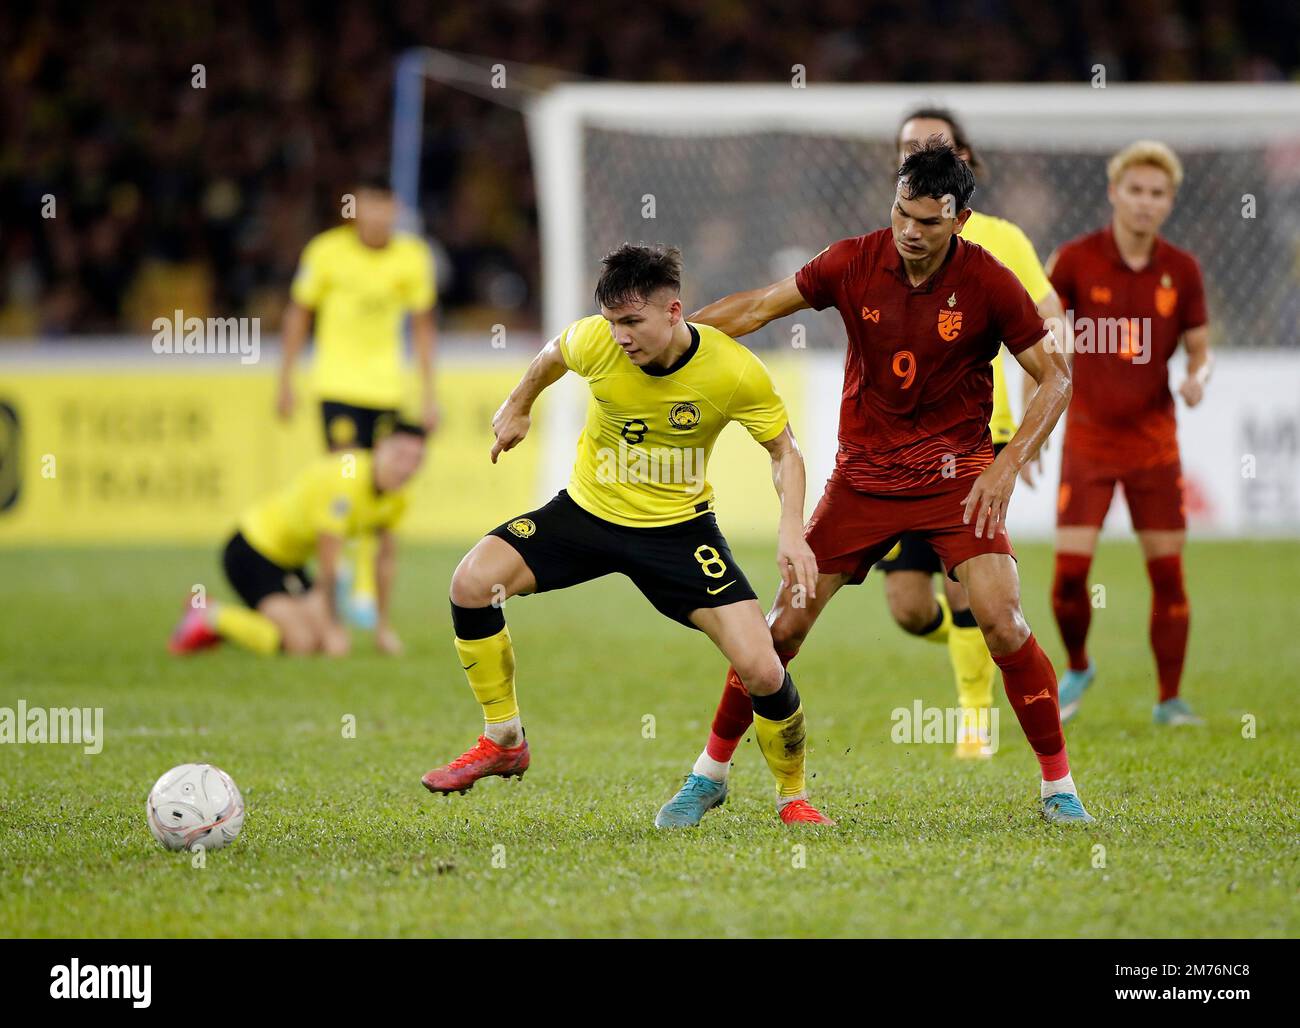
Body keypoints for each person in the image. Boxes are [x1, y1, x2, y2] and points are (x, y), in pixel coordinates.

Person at [657, 139, 1094, 828]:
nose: (910, 231)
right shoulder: (852, 260)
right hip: (862, 479)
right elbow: (760, 308)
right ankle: (709, 773)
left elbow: (1057, 377)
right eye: (901, 214)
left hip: (957, 480)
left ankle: (1058, 789)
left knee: (1003, 623)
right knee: (781, 628)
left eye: (926, 220)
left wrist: (1006, 467)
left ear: (959, 219)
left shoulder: (989, 280)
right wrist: (675, 337)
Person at [420, 243, 833, 826]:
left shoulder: (731, 370)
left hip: (679, 533)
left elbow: (784, 451)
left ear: (673, 312)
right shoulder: (597, 341)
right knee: (471, 583)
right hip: (587, 515)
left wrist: (791, 527)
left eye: (633, 322)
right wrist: (518, 405)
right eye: (613, 322)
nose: (620, 337)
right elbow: (551, 354)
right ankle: (504, 739)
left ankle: (793, 797)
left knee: (763, 669)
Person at [874, 106, 1069, 758]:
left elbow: (1044, 327)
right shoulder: (894, 241)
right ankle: (992, 641)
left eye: (935, 143)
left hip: (977, 439)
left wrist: (1025, 435)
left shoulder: (1000, 239)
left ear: (963, 156)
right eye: (909, 145)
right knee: (907, 606)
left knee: (963, 584)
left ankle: (975, 723)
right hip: (901, 446)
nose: (921, 151)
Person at [1048, 141, 1212, 726]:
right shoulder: (1074, 260)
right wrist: (1033, 423)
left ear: (1169, 202)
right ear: (1114, 192)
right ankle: (1079, 664)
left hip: (1154, 447)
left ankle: (1169, 700)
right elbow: (1040, 342)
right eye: (1135, 190)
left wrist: (1197, 379)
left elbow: (1200, 352)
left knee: (1166, 573)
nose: (1145, 202)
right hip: (1088, 441)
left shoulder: (1182, 270)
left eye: (1157, 193)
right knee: (1069, 576)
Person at [278, 173, 438, 628]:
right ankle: (343, 571)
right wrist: (285, 378)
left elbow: (424, 327)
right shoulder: (326, 252)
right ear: (353, 209)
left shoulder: (412, 257)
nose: (377, 215)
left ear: (396, 210)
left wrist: (429, 393)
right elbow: (299, 313)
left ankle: (365, 583)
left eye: (385, 206)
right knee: (348, 479)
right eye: (368, 205)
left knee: (384, 487)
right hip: (338, 387)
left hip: (387, 389)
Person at [169, 423, 427, 657]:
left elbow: (385, 561)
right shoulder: (344, 480)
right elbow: (329, 563)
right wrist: (332, 626)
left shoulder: (399, 497)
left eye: (416, 460)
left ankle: (230, 622)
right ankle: (208, 614)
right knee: (302, 644)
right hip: (252, 551)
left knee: (319, 643)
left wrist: (382, 629)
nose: (406, 467)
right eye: (400, 456)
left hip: (291, 563)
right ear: (380, 448)